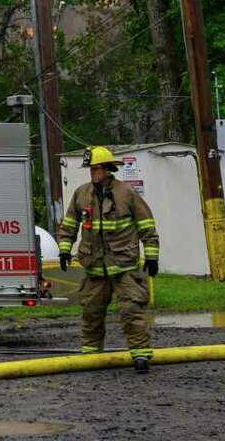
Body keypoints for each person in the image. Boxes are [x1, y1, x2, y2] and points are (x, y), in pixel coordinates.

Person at [55, 146, 160, 372]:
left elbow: (147, 227)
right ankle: (91, 357)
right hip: (94, 266)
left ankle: (141, 356)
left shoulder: (127, 194)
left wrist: (152, 257)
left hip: (125, 266)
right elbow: (70, 225)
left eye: (96, 168)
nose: (92, 173)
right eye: (90, 169)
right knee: (91, 312)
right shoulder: (82, 194)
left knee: (132, 310)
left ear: (108, 169)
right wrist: (64, 250)